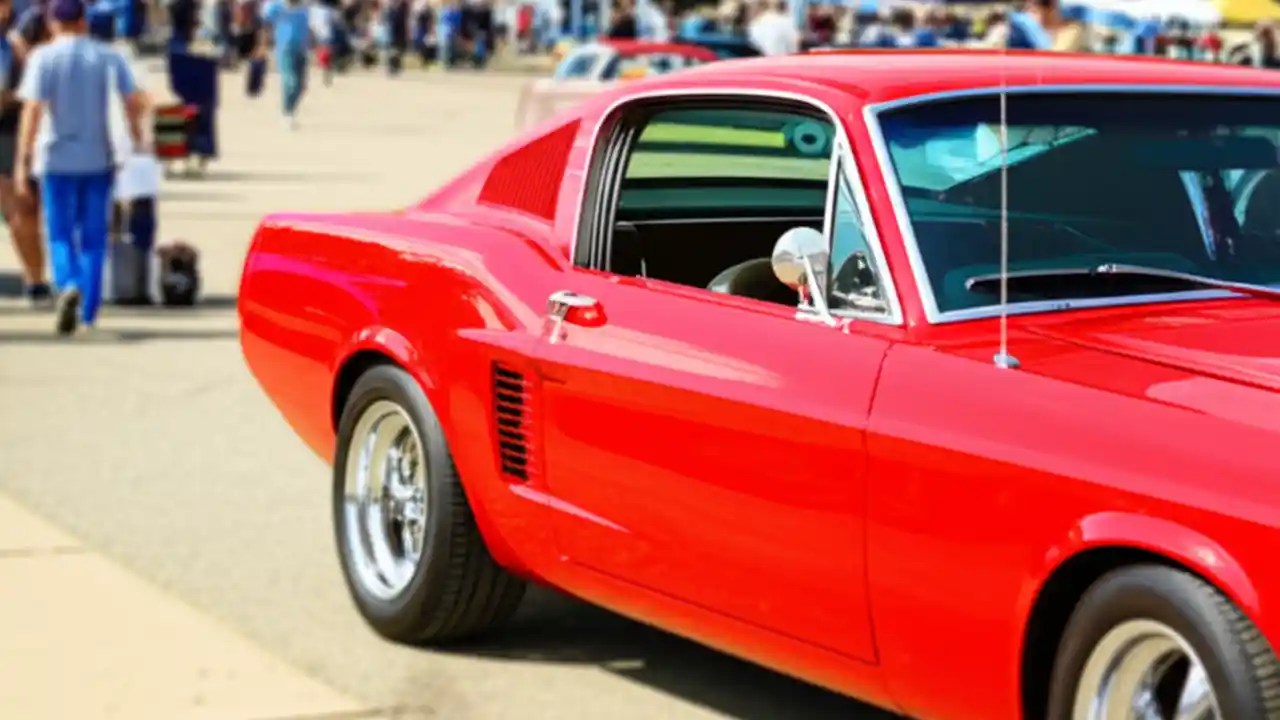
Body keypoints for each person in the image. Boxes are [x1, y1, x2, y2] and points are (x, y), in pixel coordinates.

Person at [15, 0, 148, 335]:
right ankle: (88, 312)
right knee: (94, 236)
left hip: (56, 158)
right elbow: (132, 101)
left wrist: (22, 159)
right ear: (84, 21)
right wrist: (135, 137)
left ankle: (67, 282)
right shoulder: (107, 56)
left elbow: (32, 111)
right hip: (98, 158)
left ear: (51, 22)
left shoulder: (42, 58)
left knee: (59, 231)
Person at [1, 0, 48, 306]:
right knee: (21, 208)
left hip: (7, 132)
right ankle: (35, 282)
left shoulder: (12, 44)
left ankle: (35, 281)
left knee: (22, 209)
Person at [262, 0, 311, 128]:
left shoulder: (305, 6)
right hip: (285, 48)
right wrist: (263, 45)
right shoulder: (276, 6)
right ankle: (287, 113)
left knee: (301, 86)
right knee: (291, 81)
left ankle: (290, 111)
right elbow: (265, 23)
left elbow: (307, 27)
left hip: (302, 49)